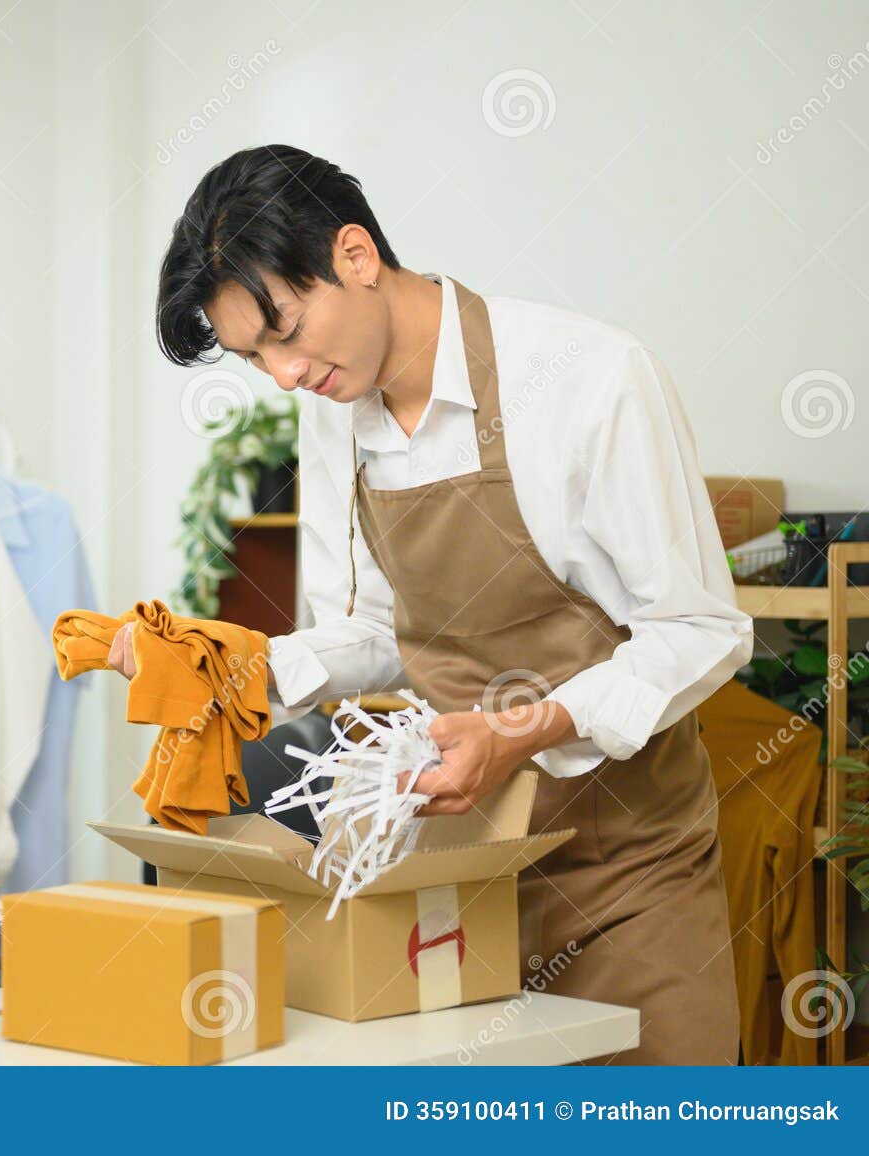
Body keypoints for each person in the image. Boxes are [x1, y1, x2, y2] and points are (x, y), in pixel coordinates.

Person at [110, 143, 750, 1064]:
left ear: (356, 257)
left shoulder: (589, 379)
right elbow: (372, 630)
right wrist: (232, 668)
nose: (284, 374)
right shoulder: (336, 412)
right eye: (255, 357)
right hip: (456, 881)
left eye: (284, 331)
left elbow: (700, 629)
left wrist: (523, 729)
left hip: (627, 880)